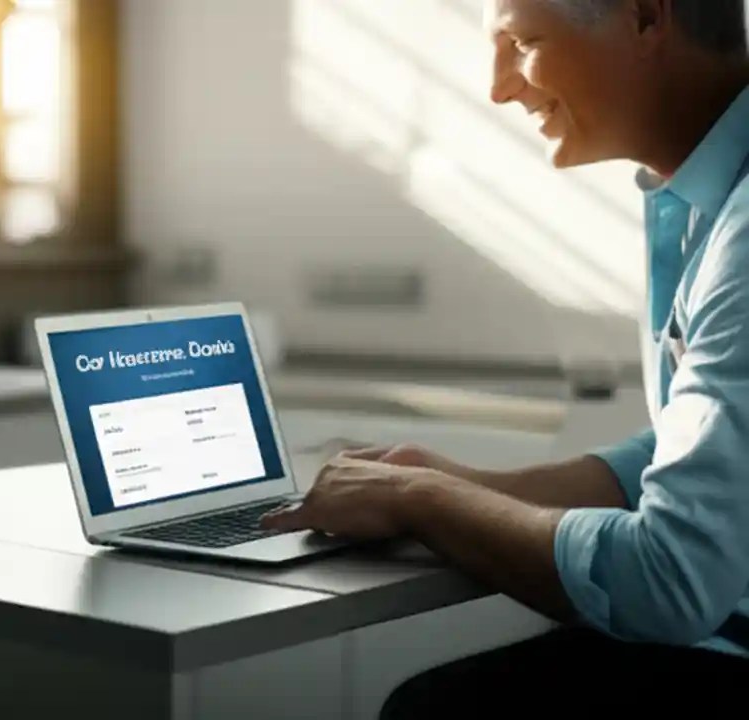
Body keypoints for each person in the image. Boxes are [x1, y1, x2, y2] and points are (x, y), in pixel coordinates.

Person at [261, 0, 749, 714]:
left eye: (521, 42)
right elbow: (700, 447)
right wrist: (467, 482)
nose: (498, 87)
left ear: (646, 17)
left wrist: (424, 501)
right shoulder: (704, 200)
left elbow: (667, 582)